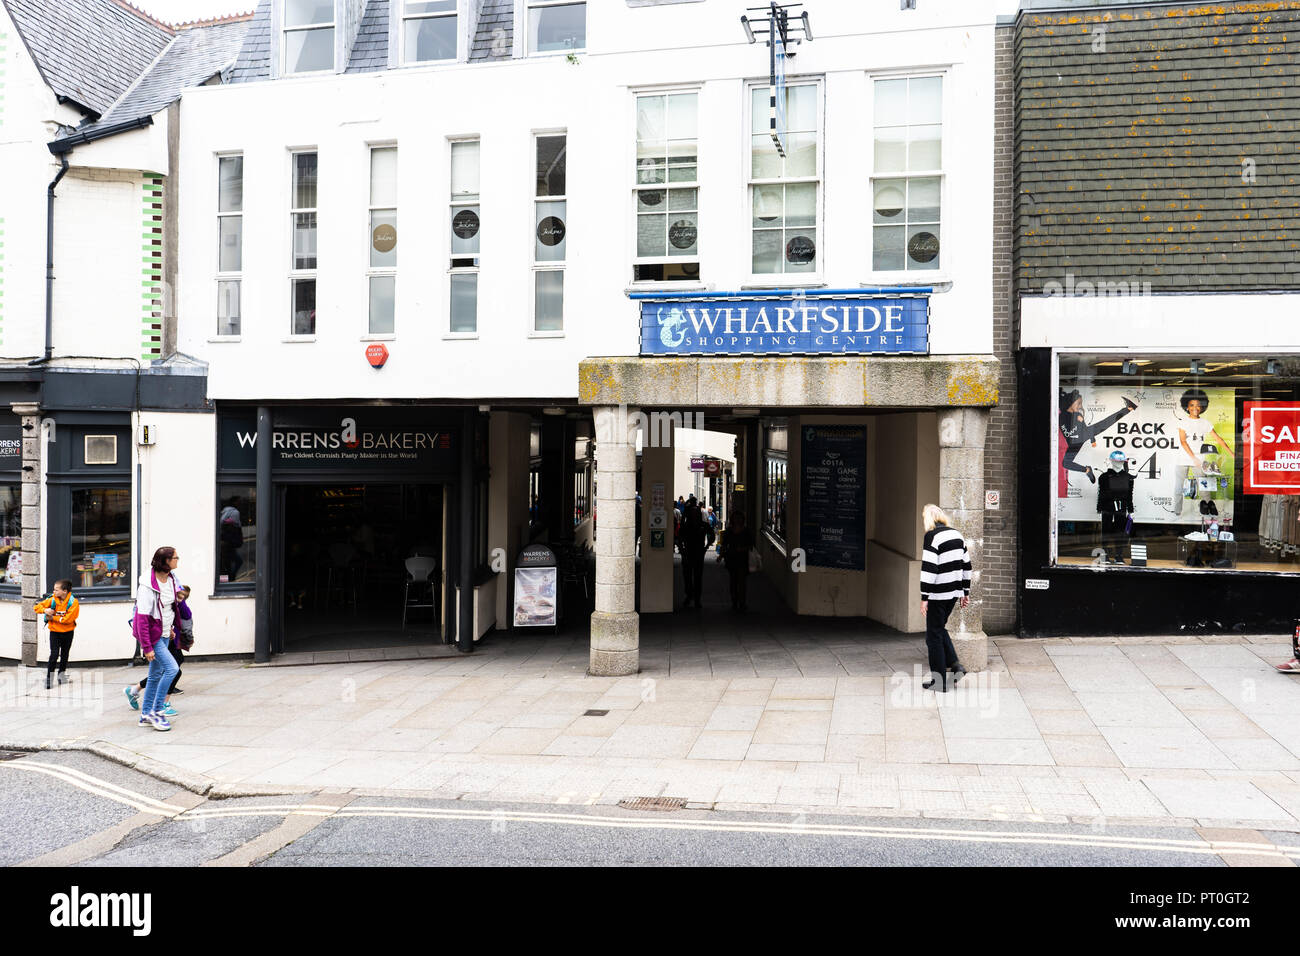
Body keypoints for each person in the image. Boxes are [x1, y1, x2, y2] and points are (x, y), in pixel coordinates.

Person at [919, 504, 972, 692]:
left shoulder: (931, 536)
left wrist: (924, 597)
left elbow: (929, 568)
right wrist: (965, 592)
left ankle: (939, 680)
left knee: (932, 636)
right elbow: (966, 565)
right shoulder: (957, 535)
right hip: (953, 593)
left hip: (937, 594)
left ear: (928, 519)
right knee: (939, 628)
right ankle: (955, 665)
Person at [129, 547, 183, 732]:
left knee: (154, 677)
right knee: (172, 669)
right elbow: (142, 619)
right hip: (153, 637)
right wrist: (147, 647)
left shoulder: (171, 579)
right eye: (175, 557)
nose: (177, 560)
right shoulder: (147, 586)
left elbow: (168, 609)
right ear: (165, 561)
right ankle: (157, 711)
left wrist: (170, 628)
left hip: (165, 633)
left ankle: (145, 715)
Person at [125, 583, 192, 716]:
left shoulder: (170, 595)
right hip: (160, 637)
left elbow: (181, 615)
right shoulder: (153, 593)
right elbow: (144, 622)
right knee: (172, 670)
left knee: (162, 671)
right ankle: (160, 706)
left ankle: (138, 695)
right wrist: (147, 647)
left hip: (168, 636)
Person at [1059, 389, 1137, 486]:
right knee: (1065, 464)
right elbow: (1067, 430)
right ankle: (1087, 470)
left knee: (1106, 422)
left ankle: (1128, 409)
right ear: (1071, 402)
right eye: (1078, 404)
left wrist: (1092, 439)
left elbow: (1085, 429)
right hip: (1074, 443)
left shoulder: (1077, 415)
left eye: (1080, 404)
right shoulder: (1063, 416)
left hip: (1082, 436)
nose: (1080, 407)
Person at [1171, 388, 1229, 518]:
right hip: (1183, 458)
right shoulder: (1182, 422)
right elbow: (1183, 441)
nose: (1195, 408)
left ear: (1202, 407)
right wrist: (1193, 458)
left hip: (1199, 459)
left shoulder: (1205, 423)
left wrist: (1230, 453)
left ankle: (1207, 507)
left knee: (1203, 484)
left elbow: (1218, 438)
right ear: (1187, 407)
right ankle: (1177, 511)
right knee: (1179, 485)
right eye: (1192, 405)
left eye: (1198, 405)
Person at [35, 579, 79, 690]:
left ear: (65, 591)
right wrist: (45, 611)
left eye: (56, 590)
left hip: (68, 632)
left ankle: (61, 677)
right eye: (54, 590)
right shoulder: (52, 600)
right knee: (54, 655)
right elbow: (36, 607)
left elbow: (68, 619)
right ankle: (49, 680)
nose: (54, 592)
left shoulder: (73, 602)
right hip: (54, 632)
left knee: (65, 654)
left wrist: (53, 617)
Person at [720, 511, 754, 611]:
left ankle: (742, 602)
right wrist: (721, 555)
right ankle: (734, 601)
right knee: (733, 581)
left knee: (742, 581)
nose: (737, 520)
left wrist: (743, 549)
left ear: (742, 520)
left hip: (743, 559)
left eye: (739, 518)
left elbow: (751, 544)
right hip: (731, 559)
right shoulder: (729, 531)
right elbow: (724, 544)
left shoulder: (746, 531)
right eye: (736, 518)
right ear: (732, 520)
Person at [678, 500, 708, 609]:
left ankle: (695, 598)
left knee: (697, 577)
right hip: (689, 553)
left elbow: (711, 535)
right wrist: (681, 548)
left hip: (696, 554)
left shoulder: (701, 525)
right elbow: (679, 538)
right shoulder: (687, 526)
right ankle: (690, 595)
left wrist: (706, 547)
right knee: (688, 577)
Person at [219, 495, 244, 581]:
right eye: (239, 501)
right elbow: (236, 528)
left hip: (225, 542)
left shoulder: (225, 511)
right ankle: (230, 578)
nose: (241, 503)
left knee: (227, 563)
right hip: (229, 543)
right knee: (234, 562)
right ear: (234, 502)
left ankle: (228, 579)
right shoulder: (235, 512)